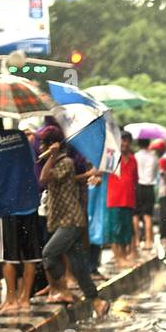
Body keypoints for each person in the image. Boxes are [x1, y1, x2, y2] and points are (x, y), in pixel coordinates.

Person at [39, 125, 110, 318]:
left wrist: (52, 156)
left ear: (52, 145)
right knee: (78, 267)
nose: (39, 148)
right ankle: (97, 302)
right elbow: (71, 179)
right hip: (69, 220)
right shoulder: (62, 163)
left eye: (42, 143)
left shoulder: (64, 162)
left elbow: (44, 178)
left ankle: (63, 290)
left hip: (70, 220)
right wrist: (88, 175)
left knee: (49, 254)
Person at [0, 114, 41, 312]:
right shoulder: (21, 137)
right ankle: (25, 299)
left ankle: (11, 300)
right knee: (30, 255)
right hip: (29, 201)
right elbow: (33, 161)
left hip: (5, 205)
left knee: (8, 257)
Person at [106, 131, 138, 268]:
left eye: (127, 141)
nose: (124, 144)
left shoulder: (133, 159)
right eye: (122, 141)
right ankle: (119, 258)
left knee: (126, 231)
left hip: (128, 200)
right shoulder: (112, 156)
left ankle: (124, 256)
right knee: (115, 231)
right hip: (115, 200)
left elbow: (135, 179)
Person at [134, 137, 159, 251]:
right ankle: (148, 241)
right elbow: (155, 174)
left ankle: (137, 240)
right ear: (149, 144)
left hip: (138, 187)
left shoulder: (135, 156)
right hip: (149, 187)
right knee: (148, 216)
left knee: (135, 215)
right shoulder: (154, 157)